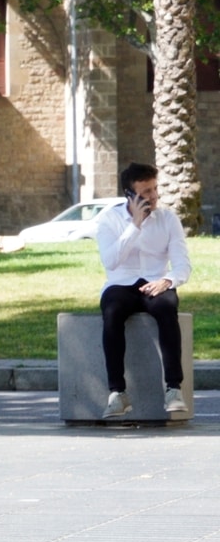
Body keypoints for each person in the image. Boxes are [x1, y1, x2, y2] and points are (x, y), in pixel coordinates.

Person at [95, 162, 191, 419]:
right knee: (112, 311)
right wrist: (134, 225)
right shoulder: (108, 219)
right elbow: (110, 262)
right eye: (145, 192)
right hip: (121, 283)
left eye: (155, 189)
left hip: (156, 282)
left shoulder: (168, 219)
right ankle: (117, 393)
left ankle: (173, 389)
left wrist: (168, 281)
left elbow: (183, 264)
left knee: (166, 307)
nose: (153, 196)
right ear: (129, 195)